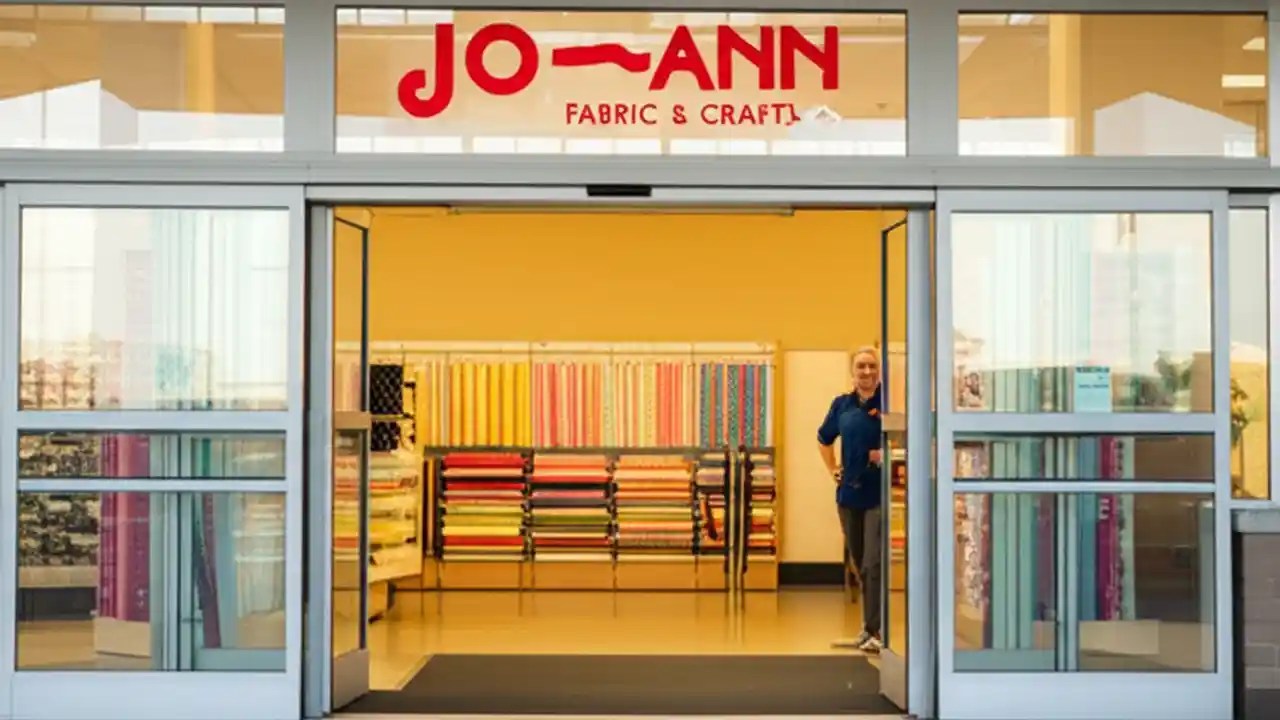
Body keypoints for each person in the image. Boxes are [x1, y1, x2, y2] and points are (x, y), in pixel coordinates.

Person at [817, 346, 883, 654]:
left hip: (878, 495)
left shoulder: (889, 405)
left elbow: (910, 441)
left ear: (879, 370)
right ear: (852, 372)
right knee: (859, 563)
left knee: (873, 563)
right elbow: (823, 439)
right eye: (861, 367)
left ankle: (876, 631)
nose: (867, 372)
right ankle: (867, 629)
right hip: (848, 495)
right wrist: (833, 468)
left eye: (872, 366)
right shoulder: (841, 405)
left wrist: (888, 454)